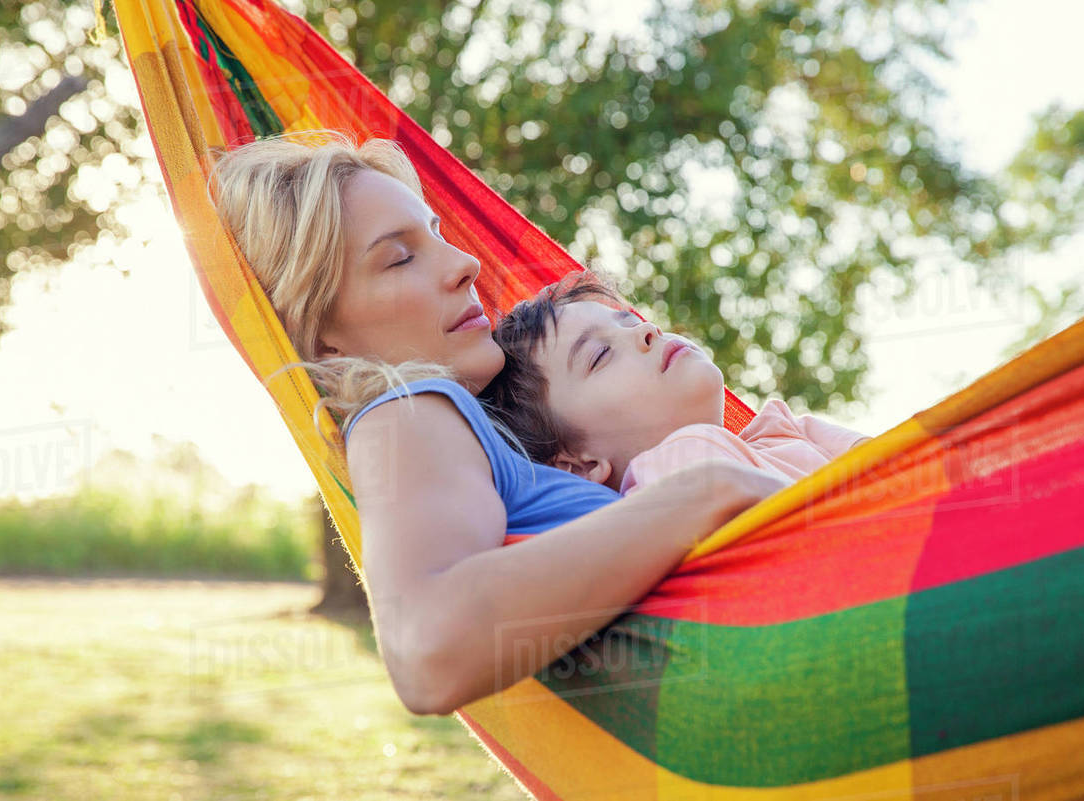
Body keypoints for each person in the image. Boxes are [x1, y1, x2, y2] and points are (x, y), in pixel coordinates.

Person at [209, 132, 786, 715]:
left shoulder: (489, 443)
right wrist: (709, 490)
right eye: (400, 257)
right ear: (323, 339)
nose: (466, 263)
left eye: (436, 233)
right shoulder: (404, 412)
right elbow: (428, 654)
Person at [482, 273, 871, 493]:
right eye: (599, 356)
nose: (648, 330)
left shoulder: (786, 428)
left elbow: (919, 467)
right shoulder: (669, 470)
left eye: (631, 322)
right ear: (578, 466)